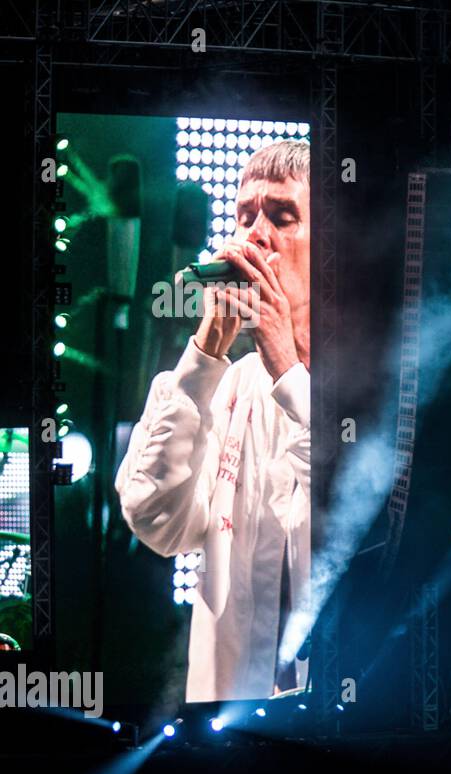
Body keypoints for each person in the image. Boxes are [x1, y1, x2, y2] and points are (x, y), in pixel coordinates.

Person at [117, 139, 311, 703]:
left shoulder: (368, 384)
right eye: (245, 217)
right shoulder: (226, 384)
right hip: (230, 715)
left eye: (282, 216)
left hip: (342, 725)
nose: (254, 236)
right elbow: (155, 520)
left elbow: (347, 536)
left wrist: (284, 361)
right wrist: (204, 355)